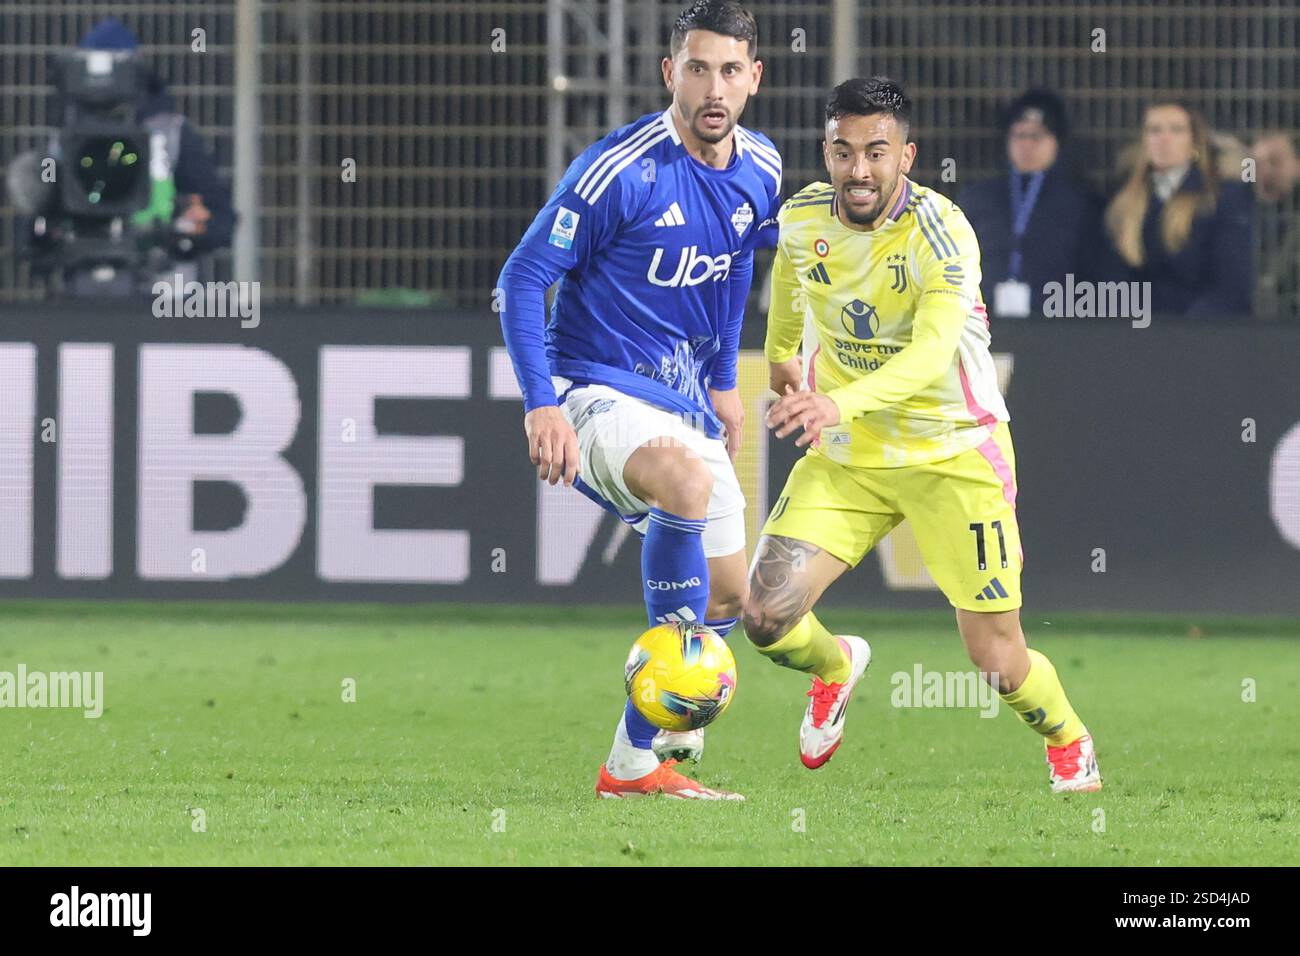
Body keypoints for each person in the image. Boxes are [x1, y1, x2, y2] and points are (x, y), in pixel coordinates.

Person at [743, 76, 1102, 794]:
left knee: (996, 658)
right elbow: (786, 304)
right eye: (844, 152)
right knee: (765, 615)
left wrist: (834, 406)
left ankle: (1068, 738)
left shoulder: (944, 231)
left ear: (908, 155)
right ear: (827, 152)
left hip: (954, 450)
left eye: (877, 152)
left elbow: (929, 356)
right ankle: (838, 665)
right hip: (851, 457)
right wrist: (787, 372)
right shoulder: (803, 218)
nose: (859, 170)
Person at [497, 1, 782, 800]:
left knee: (733, 594)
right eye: (697, 68)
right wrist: (541, 402)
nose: (713, 86)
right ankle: (672, 686)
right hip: (591, 386)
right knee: (685, 487)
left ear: (755, 77)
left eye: (730, 69)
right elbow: (523, 278)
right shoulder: (621, 169)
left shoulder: (762, 169)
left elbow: (732, 277)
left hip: (685, 401)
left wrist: (725, 380)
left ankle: (631, 764)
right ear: (671, 73)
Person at [958, 89, 1103, 320]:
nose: (1026, 145)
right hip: (984, 322)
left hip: (1057, 326)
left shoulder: (1082, 202)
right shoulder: (978, 198)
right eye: (1019, 135)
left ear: (1056, 142)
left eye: (1036, 136)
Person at [1104, 101, 1253, 318]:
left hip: (1199, 335)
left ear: (1194, 142)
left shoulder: (1221, 198)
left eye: (1176, 130)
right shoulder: (1124, 201)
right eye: (1155, 130)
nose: (1164, 139)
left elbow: (1231, 285)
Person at [1250, 133, 1300, 320]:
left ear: (1297, 165)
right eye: (1256, 163)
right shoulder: (1240, 209)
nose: (1264, 170)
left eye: (1274, 161)